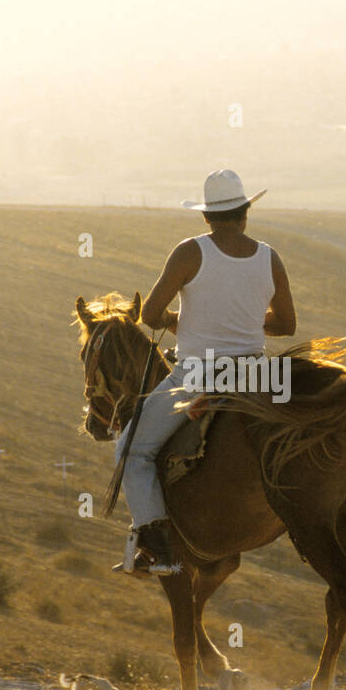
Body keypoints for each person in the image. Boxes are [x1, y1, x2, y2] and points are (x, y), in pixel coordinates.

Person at [119, 169, 296, 575]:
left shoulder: (189, 252)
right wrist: (246, 323)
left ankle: (159, 550)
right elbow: (286, 326)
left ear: (206, 217)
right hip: (257, 375)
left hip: (198, 375)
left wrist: (186, 321)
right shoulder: (270, 257)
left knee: (132, 451)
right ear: (246, 212)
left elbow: (149, 315)